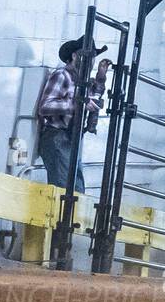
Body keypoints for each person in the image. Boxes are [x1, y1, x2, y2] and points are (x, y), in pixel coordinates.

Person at [35, 35, 110, 193]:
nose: (91, 61)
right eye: (87, 56)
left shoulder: (81, 81)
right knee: (64, 192)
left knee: (77, 191)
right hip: (56, 136)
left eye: (93, 57)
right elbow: (45, 106)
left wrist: (101, 76)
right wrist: (77, 104)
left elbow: (94, 98)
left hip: (71, 138)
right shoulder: (61, 75)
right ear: (74, 55)